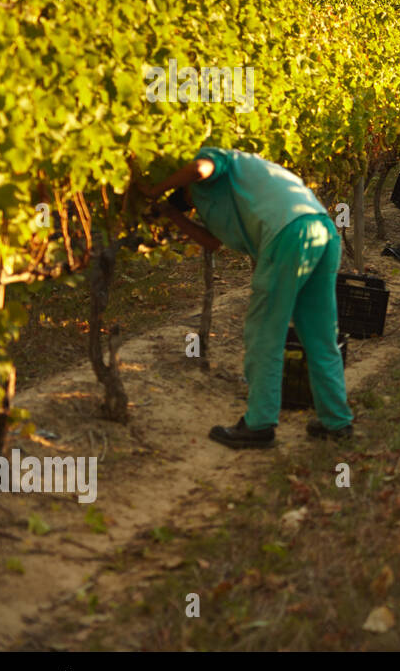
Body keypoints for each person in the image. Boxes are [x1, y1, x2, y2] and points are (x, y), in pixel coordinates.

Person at [139, 149, 354, 449]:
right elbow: (212, 243)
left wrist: (151, 190)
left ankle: (259, 425)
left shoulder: (217, 158)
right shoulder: (226, 194)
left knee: (265, 334)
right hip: (321, 230)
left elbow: (200, 169)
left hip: (290, 235)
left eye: (186, 198)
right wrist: (172, 213)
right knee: (320, 334)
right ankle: (337, 421)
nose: (192, 203)